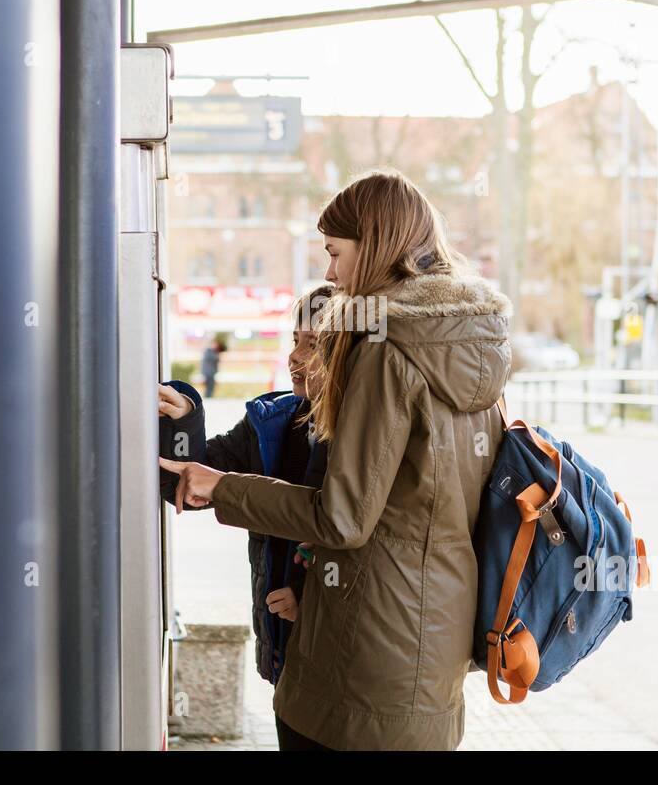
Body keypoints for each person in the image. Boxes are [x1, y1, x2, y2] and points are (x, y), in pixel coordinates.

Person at [162, 171, 511, 751]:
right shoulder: (470, 345)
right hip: (434, 640)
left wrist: (222, 487)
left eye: (335, 252)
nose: (330, 273)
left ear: (372, 245)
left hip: (364, 649)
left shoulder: (385, 347)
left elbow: (343, 518)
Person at [158, 286, 333, 750]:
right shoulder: (272, 423)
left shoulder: (373, 434)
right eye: (295, 340)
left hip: (347, 662)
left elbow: (369, 538)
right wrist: (184, 419)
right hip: (285, 654)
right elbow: (182, 482)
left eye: (313, 344)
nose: (295, 357)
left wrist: (310, 602)